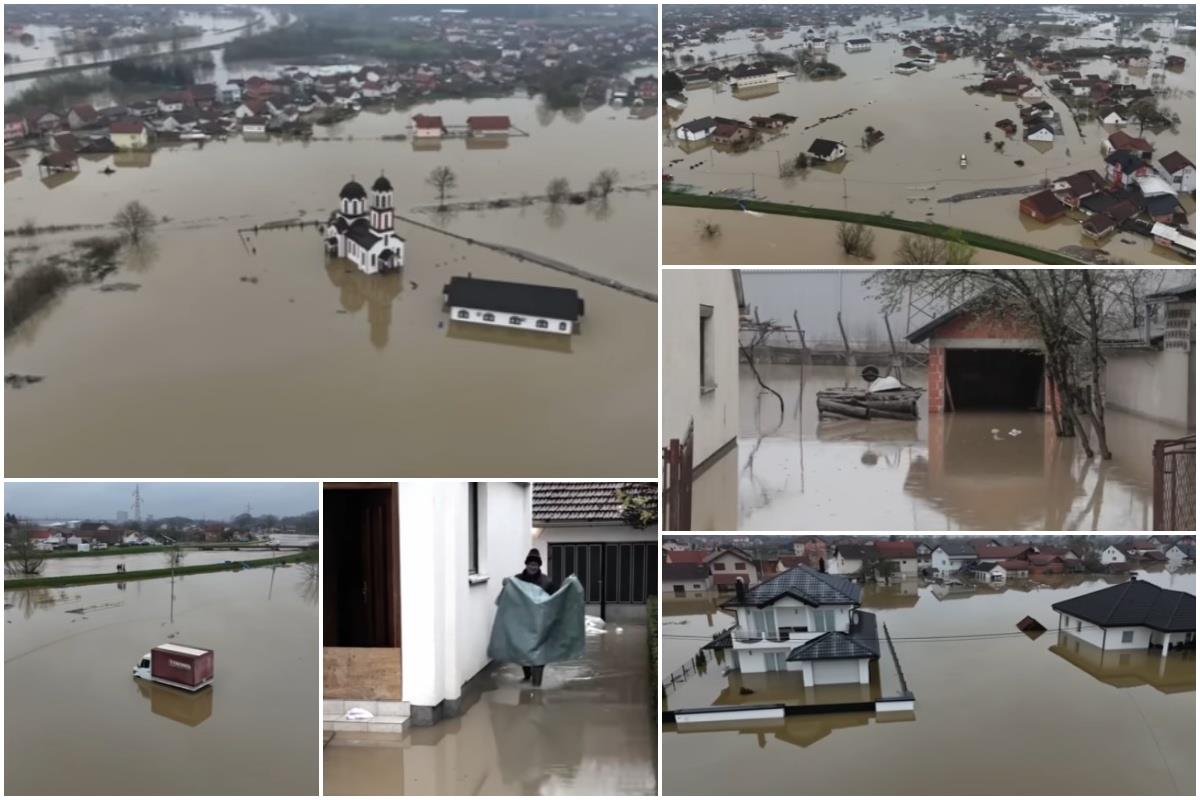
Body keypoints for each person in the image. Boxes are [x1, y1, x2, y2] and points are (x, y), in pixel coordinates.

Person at [514, 549, 559, 686]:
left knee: (539, 652)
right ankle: (527, 676)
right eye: (530, 564)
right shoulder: (517, 580)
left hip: (541, 623)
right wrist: (505, 582)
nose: (533, 567)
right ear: (526, 564)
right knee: (523, 651)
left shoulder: (546, 581)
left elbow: (555, 598)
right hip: (522, 623)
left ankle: (536, 684)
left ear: (539, 566)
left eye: (535, 564)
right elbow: (510, 596)